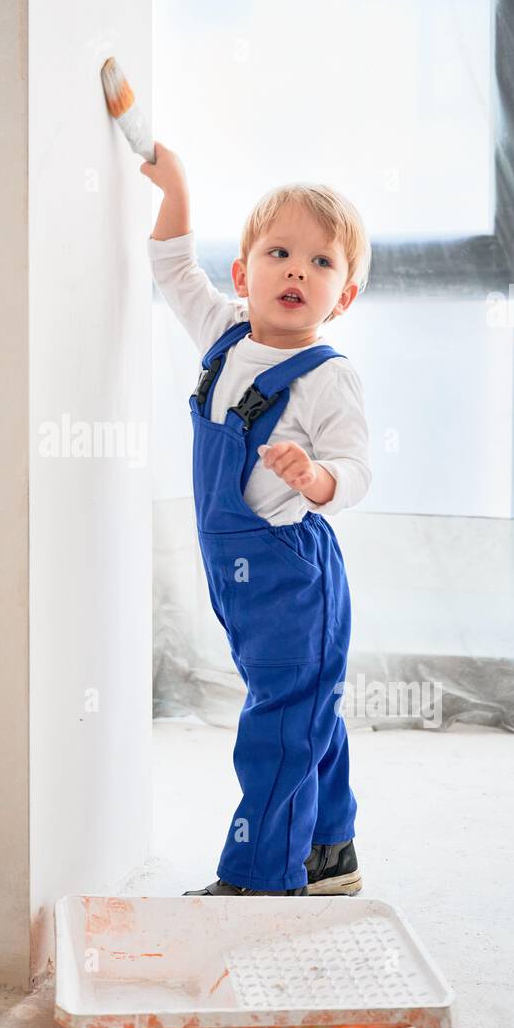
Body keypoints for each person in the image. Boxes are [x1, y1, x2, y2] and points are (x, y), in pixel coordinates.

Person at [141, 142, 371, 896]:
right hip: (237, 577)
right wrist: (174, 187)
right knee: (304, 710)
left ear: (345, 295)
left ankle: (260, 879)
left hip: (290, 577)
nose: (298, 270)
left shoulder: (328, 377)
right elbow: (174, 269)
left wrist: (319, 475)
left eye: (321, 262)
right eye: (280, 253)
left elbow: (359, 470)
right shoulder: (224, 334)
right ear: (245, 275)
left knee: (278, 726)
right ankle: (330, 852)